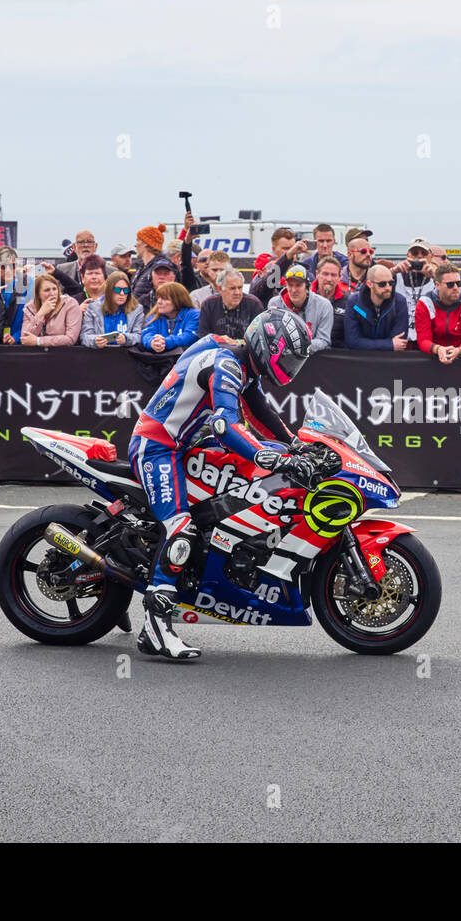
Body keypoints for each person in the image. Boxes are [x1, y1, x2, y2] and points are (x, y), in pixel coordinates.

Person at [128, 308, 314, 659]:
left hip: (182, 445)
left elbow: (260, 410)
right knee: (181, 527)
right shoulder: (227, 363)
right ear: (267, 347)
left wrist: (293, 444)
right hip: (157, 447)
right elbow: (225, 426)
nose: (290, 369)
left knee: (215, 506)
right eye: (288, 359)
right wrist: (263, 455)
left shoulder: (242, 362)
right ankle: (155, 627)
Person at [415, 263, 461, 364]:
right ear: (437, 285)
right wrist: (438, 349)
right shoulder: (425, 303)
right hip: (432, 358)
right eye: (450, 284)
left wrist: (459, 350)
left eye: (459, 283)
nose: (455, 287)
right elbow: (423, 340)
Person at [269, 265, 333, 352]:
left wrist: (297, 346)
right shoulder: (275, 304)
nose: (294, 290)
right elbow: (272, 337)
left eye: (298, 285)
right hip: (284, 358)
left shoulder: (324, 305)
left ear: (307, 286)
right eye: (290, 285)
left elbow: (323, 340)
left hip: (313, 358)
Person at [346, 265, 409, 351]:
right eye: (382, 284)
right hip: (361, 359)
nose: (388, 288)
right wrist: (389, 344)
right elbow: (352, 341)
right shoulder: (354, 302)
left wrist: (366, 344)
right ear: (369, 284)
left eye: (391, 283)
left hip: (390, 359)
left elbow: (400, 342)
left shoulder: (400, 302)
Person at [196, 268, 265, 343]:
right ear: (220, 288)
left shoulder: (254, 304)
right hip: (216, 351)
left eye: (240, 287)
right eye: (232, 288)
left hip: (245, 352)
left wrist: (236, 342)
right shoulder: (208, 304)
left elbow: (260, 338)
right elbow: (202, 336)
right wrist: (218, 339)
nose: (237, 292)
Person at [81, 272, 145, 348]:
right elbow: (84, 337)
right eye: (117, 290)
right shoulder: (93, 308)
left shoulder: (137, 309)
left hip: (125, 356)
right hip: (99, 355)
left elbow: (139, 336)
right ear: (109, 290)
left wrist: (126, 338)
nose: (122, 293)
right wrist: (95, 341)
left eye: (126, 290)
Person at [392, 238, 437, 345]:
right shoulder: (398, 275)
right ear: (408, 255)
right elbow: (372, 285)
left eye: (424, 253)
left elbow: (456, 293)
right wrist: (393, 271)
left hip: (429, 338)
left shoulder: (436, 277)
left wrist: (435, 275)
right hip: (402, 338)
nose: (419, 256)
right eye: (415, 253)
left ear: (431, 256)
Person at [20, 275, 83, 346]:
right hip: (36, 355)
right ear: (38, 294)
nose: (52, 293)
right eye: (47, 290)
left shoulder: (70, 304)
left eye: (54, 289)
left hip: (63, 354)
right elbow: (25, 338)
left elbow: (71, 339)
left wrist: (39, 341)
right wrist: (40, 314)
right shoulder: (30, 307)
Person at [141, 282, 201, 355]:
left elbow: (190, 336)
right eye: (158, 298)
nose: (159, 302)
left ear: (178, 300)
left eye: (164, 299)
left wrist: (165, 342)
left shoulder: (194, 315)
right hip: (160, 359)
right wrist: (152, 342)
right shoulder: (154, 317)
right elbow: (146, 334)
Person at [312, 255, 351, 349]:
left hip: (338, 356)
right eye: (325, 274)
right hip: (310, 355)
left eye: (333, 275)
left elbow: (362, 315)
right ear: (317, 274)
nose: (329, 279)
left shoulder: (350, 300)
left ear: (339, 277)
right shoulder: (306, 298)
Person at [131, 224, 167, 307]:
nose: (135, 245)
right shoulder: (142, 267)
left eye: (138, 240)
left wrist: (133, 305)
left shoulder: (161, 267)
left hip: (152, 318)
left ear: (145, 243)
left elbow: (161, 294)